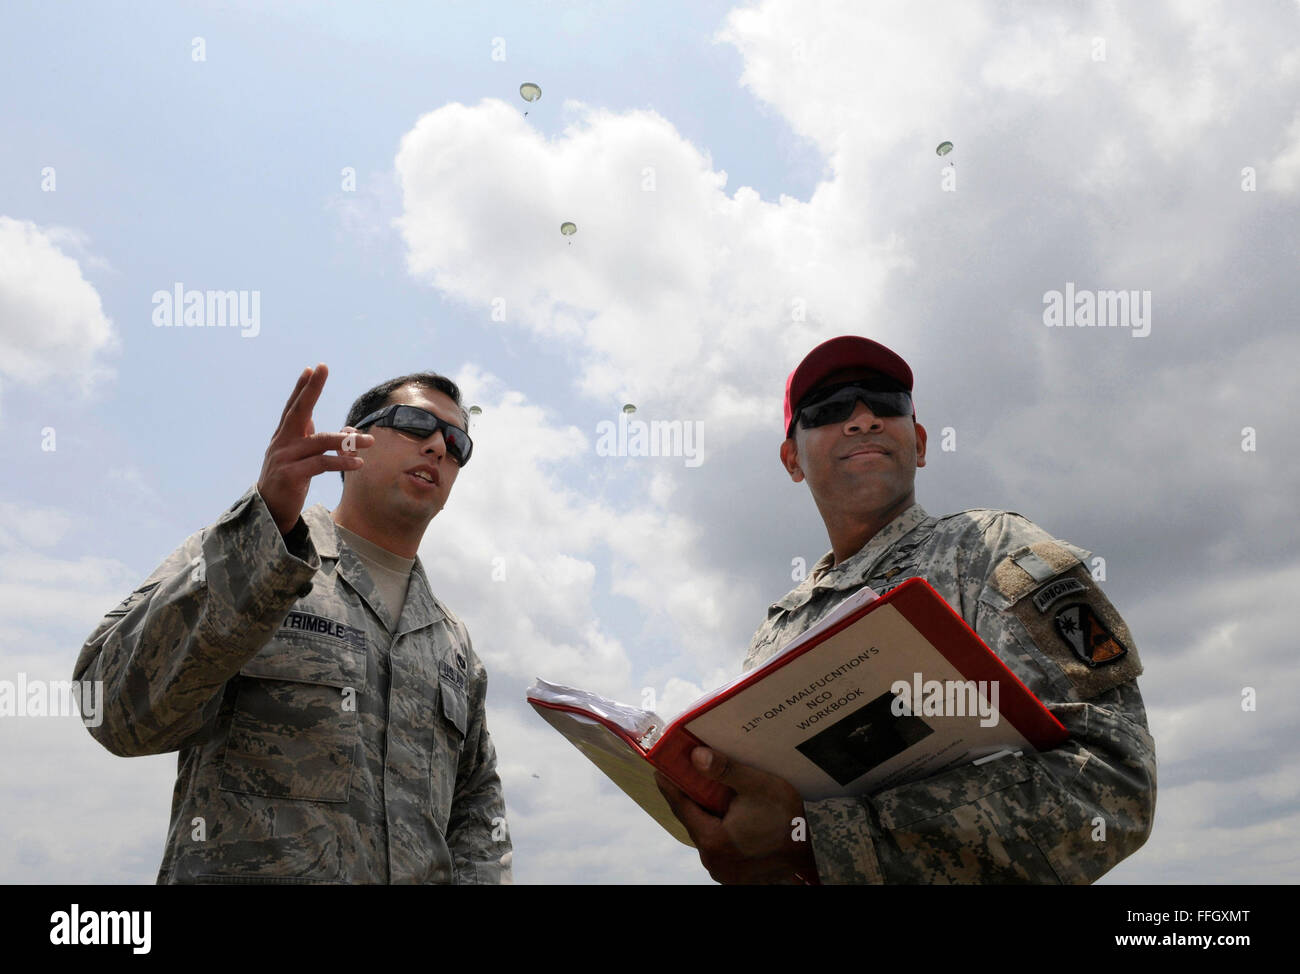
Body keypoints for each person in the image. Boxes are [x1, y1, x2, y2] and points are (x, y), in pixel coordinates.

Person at [656, 336, 1156, 884]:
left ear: (918, 443)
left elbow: (1113, 786)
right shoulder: (777, 632)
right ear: (791, 459)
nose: (863, 419)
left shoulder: (992, 551)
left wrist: (818, 838)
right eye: (828, 409)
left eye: (886, 402)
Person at [74, 364, 511, 884]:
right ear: (353, 442)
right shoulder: (261, 555)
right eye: (416, 424)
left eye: (457, 441)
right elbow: (113, 709)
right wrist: (263, 528)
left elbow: (478, 814)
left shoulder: (452, 644)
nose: (439, 447)